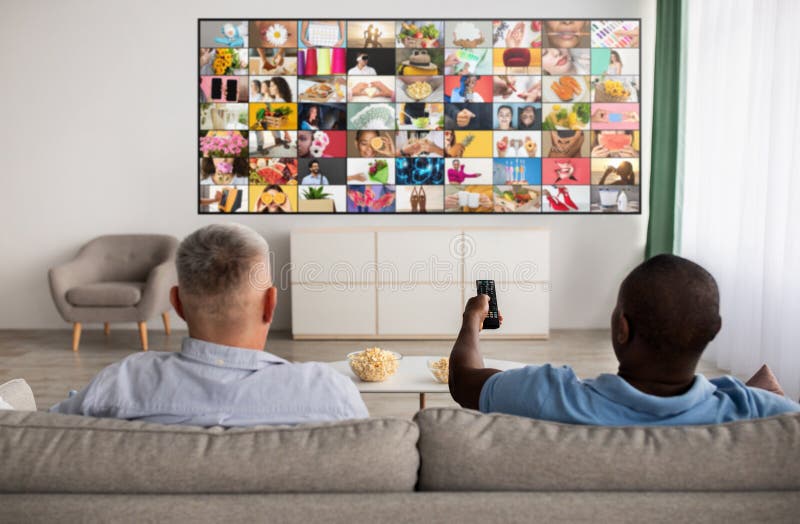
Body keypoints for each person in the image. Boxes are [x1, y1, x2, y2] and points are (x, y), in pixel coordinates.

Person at [50, 224, 368, 425]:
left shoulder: (119, 384)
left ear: (177, 304)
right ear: (271, 304)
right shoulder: (330, 392)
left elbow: (42, 428)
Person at [449, 254, 800, 425]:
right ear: (714, 330)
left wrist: (472, 319)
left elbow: (463, 381)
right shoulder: (760, 413)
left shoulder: (547, 394)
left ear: (622, 329)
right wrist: (755, 397)